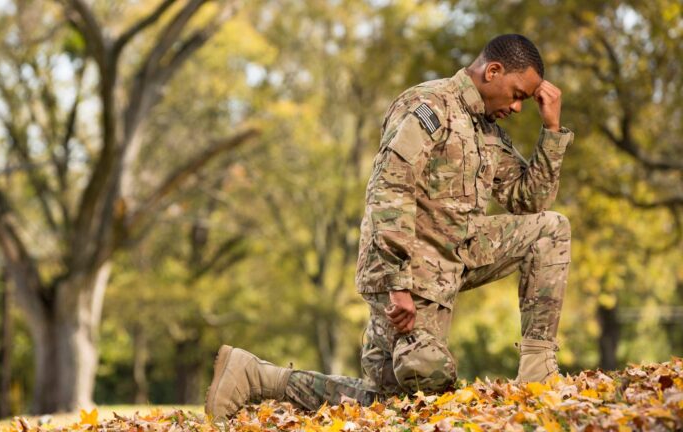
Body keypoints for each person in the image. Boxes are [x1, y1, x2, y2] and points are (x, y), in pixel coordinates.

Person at [205, 34, 574, 420]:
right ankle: (260, 378)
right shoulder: (429, 106)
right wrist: (397, 284)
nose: (517, 107)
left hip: (455, 258)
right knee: (412, 396)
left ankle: (538, 370)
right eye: (516, 94)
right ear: (493, 71)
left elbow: (527, 201)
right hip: (404, 275)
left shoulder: (486, 130)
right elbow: (389, 189)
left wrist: (551, 130)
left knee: (550, 229)